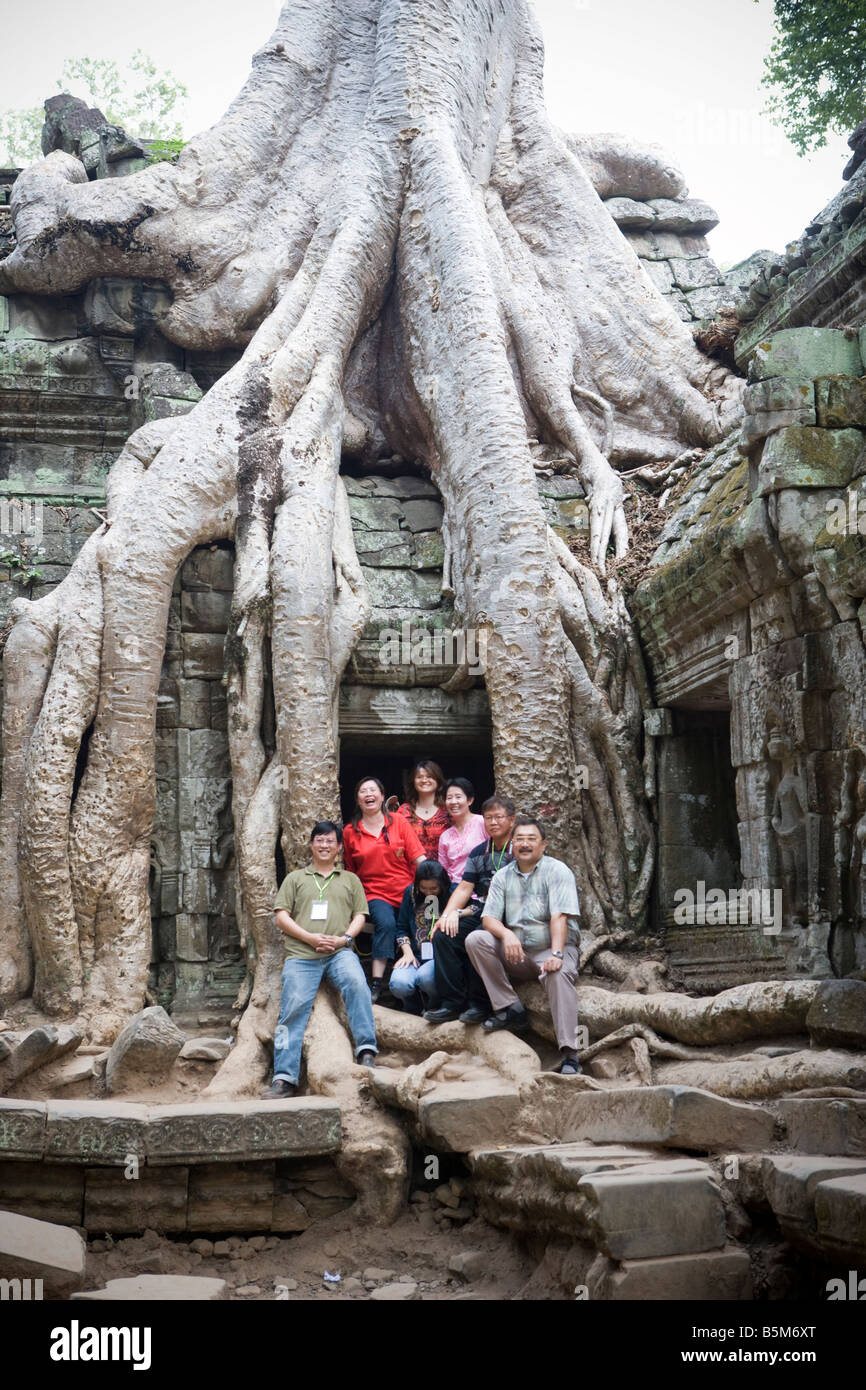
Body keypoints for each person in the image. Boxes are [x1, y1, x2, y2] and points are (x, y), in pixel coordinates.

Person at [265, 821, 377, 1098]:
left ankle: (366, 1049)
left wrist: (344, 940)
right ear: (312, 844)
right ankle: (284, 1077)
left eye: (330, 841)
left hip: (339, 952)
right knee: (291, 1008)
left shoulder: (349, 879)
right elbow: (281, 917)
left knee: (357, 983)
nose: (325, 845)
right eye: (320, 840)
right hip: (302, 956)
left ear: (339, 847)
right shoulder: (295, 878)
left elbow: (360, 917)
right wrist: (310, 938)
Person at [466, 816, 582, 1074]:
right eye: (519, 839)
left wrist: (557, 953)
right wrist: (506, 934)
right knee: (476, 939)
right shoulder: (502, 876)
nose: (525, 844)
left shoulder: (558, 870)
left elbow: (559, 916)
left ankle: (570, 1054)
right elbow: (488, 919)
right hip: (518, 953)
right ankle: (509, 1007)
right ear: (512, 845)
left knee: (559, 973)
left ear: (544, 845)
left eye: (531, 839)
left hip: (550, 948)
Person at [424, 795, 516, 1024]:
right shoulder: (478, 852)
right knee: (444, 935)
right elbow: (465, 887)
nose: (493, 823)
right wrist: (445, 916)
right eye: (488, 818)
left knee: (477, 939)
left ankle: (480, 1005)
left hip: (511, 915)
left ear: (512, 820)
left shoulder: (519, 849)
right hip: (482, 911)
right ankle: (452, 1003)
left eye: (499, 817)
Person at [342, 776, 425, 1002]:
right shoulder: (350, 831)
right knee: (386, 922)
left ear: (381, 796)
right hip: (373, 891)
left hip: (406, 888)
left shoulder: (398, 822)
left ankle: (425, 974)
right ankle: (377, 982)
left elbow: (418, 857)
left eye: (373, 790)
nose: (368, 794)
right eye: (363, 791)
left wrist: (433, 880)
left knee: (420, 920)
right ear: (358, 800)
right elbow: (350, 870)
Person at [388, 860, 451, 1014]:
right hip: (414, 953)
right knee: (398, 983)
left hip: (441, 957)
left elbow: (475, 907)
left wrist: (457, 913)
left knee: (426, 977)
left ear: (442, 883)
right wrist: (407, 952)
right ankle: (412, 1008)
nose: (428, 892)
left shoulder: (454, 892)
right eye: (423, 888)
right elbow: (401, 927)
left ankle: (434, 1005)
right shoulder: (411, 893)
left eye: (434, 888)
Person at [393, 759, 451, 860]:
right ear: (413, 782)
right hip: (410, 871)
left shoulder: (447, 810)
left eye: (429, 777)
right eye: (419, 777)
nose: (424, 780)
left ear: (438, 781)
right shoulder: (403, 810)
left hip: (441, 871)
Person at [437, 777, 487, 885]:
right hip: (453, 889)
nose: (453, 802)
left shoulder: (482, 822)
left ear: (470, 800)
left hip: (479, 887)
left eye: (458, 797)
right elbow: (443, 870)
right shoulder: (445, 836)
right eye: (449, 798)